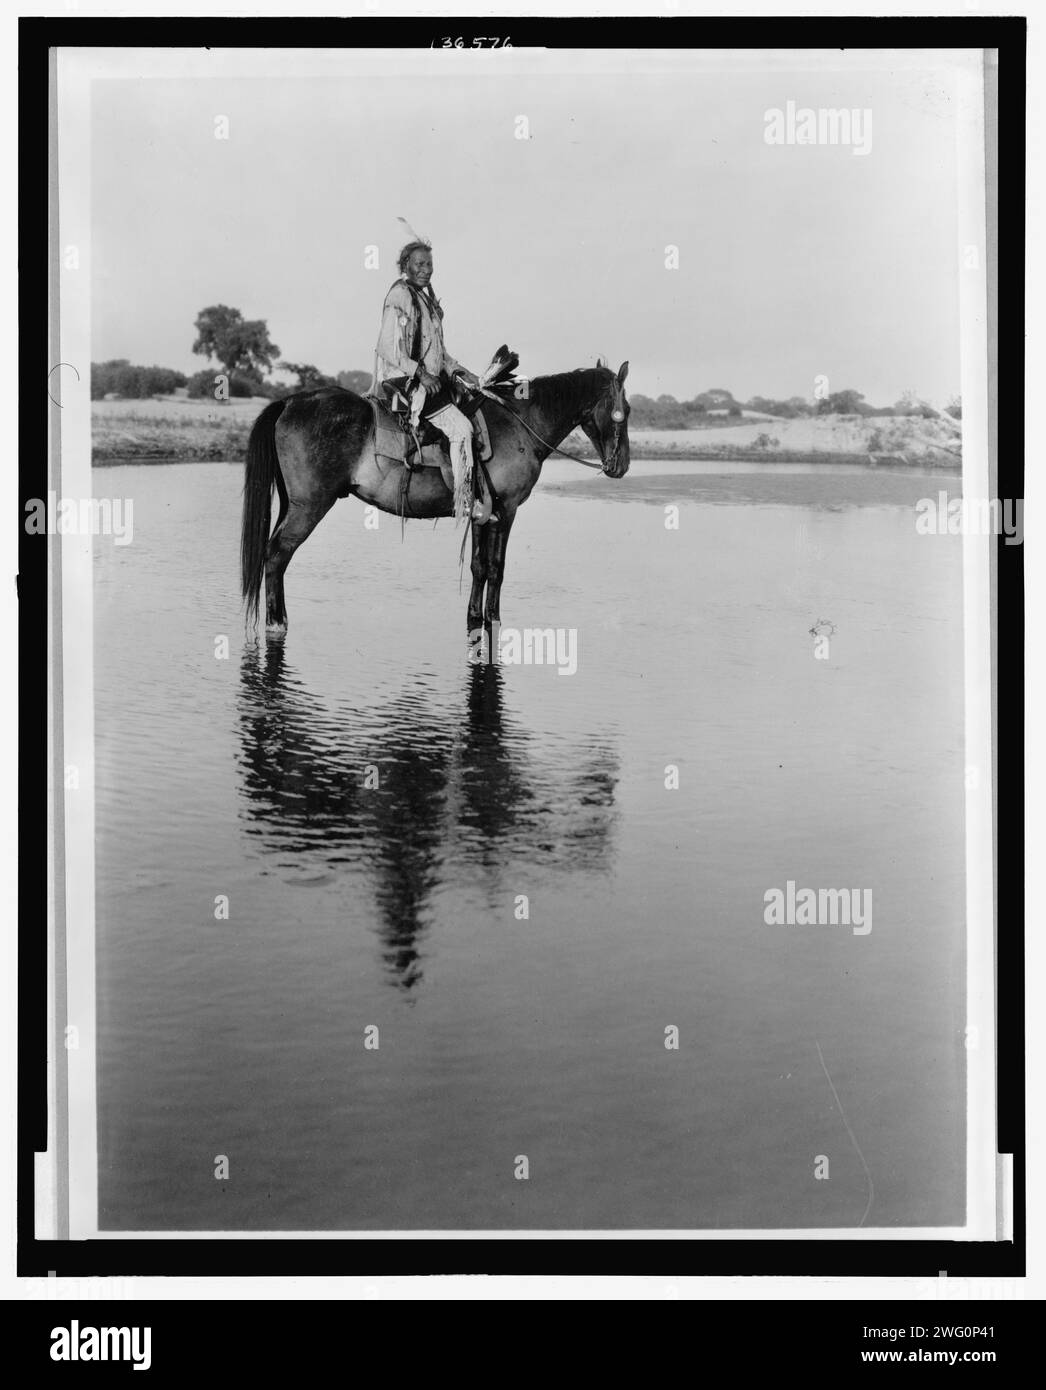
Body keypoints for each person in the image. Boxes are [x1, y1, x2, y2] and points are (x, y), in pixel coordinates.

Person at [373, 240, 492, 524]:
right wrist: (422, 374)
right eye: (420, 264)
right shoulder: (400, 296)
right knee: (462, 429)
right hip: (404, 379)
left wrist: (460, 371)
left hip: (428, 378)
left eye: (429, 265)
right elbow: (387, 348)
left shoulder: (424, 300)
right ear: (406, 266)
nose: (426, 270)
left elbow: (438, 353)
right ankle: (464, 501)